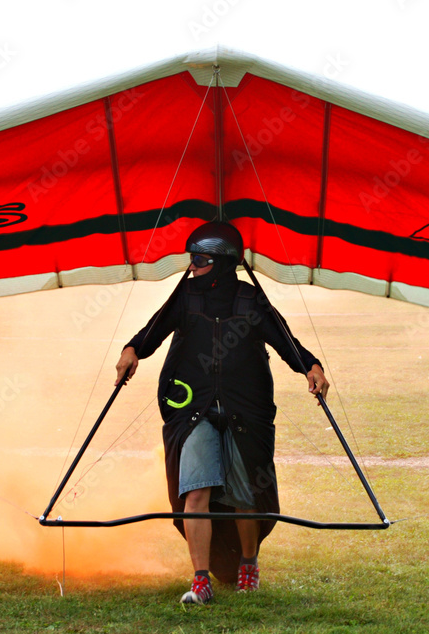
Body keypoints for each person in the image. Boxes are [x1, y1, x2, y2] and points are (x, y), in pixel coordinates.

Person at [114, 221, 328, 605]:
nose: (192, 266)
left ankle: (248, 565)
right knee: (195, 491)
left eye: (200, 259)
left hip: (242, 409)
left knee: (246, 493)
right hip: (194, 409)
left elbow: (284, 341)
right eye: (192, 259)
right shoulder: (186, 297)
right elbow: (153, 330)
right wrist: (132, 350)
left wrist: (311, 366)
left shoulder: (249, 302)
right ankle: (200, 580)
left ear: (224, 263)